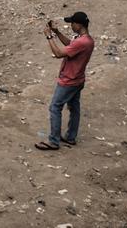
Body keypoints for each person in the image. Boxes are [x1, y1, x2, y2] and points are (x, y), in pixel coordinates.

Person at [35, 12, 95, 151]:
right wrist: (57, 32)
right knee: (74, 108)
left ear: (79, 25)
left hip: (68, 80)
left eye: (72, 23)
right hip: (78, 80)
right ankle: (70, 137)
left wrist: (49, 36)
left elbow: (58, 53)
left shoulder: (82, 42)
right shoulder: (87, 40)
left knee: (55, 107)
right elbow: (70, 44)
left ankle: (54, 141)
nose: (71, 25)